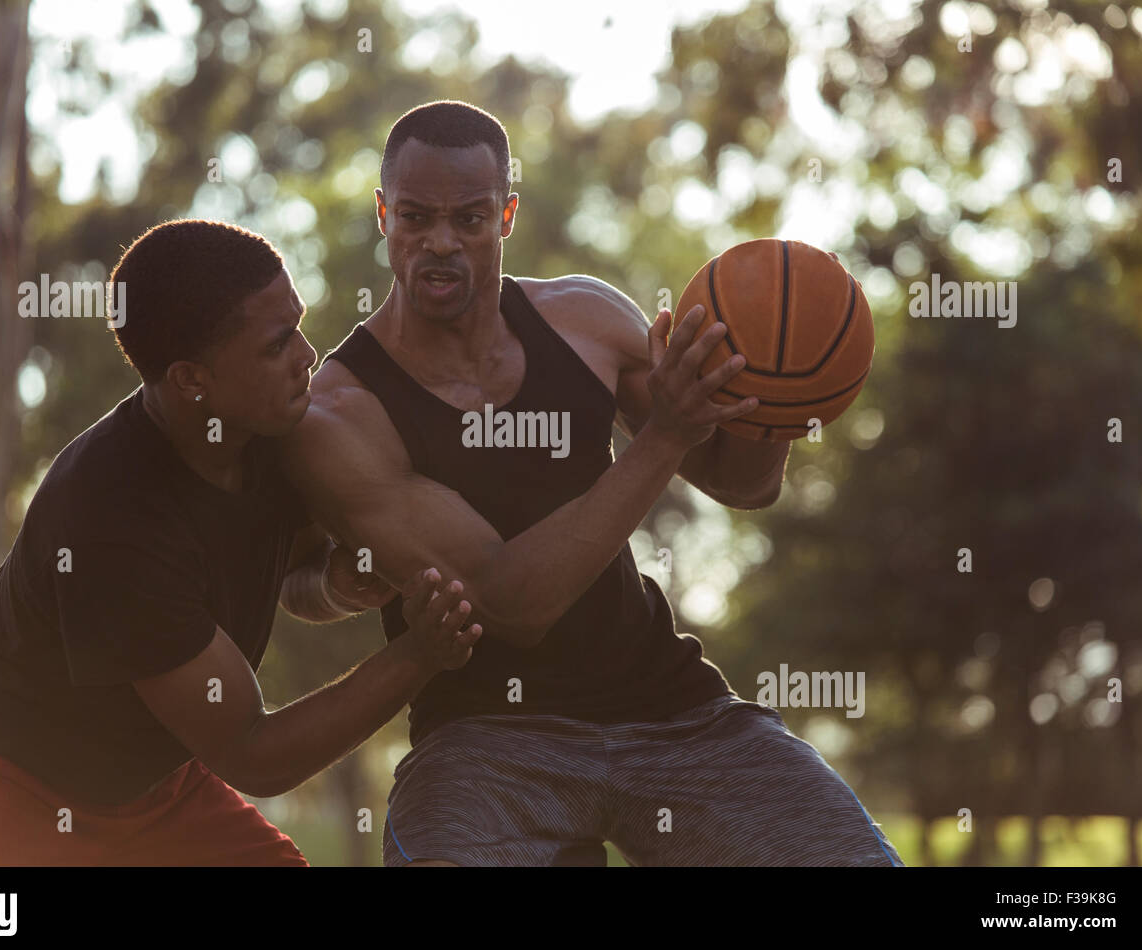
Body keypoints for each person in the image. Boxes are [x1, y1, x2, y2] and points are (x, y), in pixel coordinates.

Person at [283, 101, 904, 867]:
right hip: (487, 738)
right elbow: (513, 604)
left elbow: (739, 485)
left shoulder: (584, 318)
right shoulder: (342, 411)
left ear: (506, 215)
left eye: (470, 219)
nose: (439, 243)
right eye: (415, 217)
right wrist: (668, 432)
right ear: (384, 214)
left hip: (675, 711)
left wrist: (768, 394)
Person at [0, 218, 478, 866]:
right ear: (192, 380)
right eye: (276, 346)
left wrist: (332, 582)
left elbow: (295, 575)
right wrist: (420, 655)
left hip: (148, 788)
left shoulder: (274, 433)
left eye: (297, 324)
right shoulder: (111, 514)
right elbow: (254, 753)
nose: (308, 355)